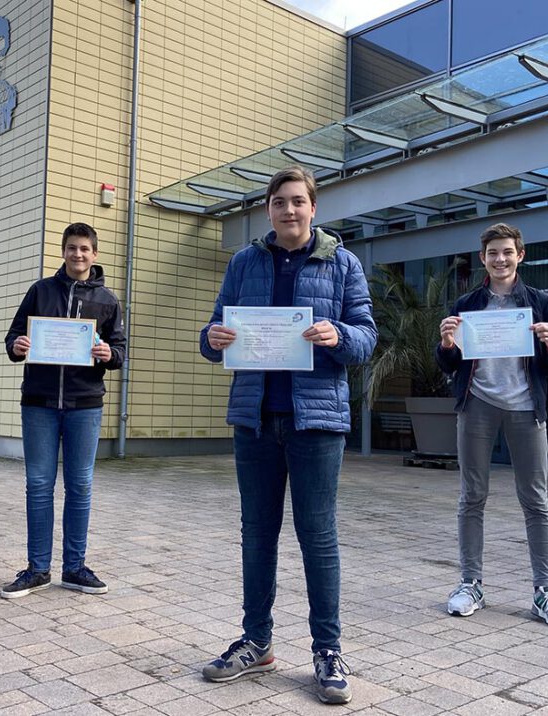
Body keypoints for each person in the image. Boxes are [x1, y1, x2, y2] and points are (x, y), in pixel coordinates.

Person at [198, 167, 376, 704]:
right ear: (268, 209)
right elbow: (212, 336)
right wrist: (212, 337)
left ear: (313, 208)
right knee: (257, 533)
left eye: (298, 201)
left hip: (315, 421)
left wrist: (338, 334)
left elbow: (366, 337)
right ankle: (257, 642)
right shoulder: (243, 262)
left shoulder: (343, 264)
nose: (289, 211)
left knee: (317, 537)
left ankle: (327, 649)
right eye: (279, 202)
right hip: (254, 420)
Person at [436, 222, 548, 629]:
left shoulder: (540, 302)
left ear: (520, 256)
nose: (500, 259)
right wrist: (445, 344)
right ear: (483, 258)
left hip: (525, 407)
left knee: (536, 500)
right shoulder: (466, 302)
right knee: (471, 496)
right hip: (477, 404)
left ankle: (545, 591)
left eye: (507, 252)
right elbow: (448, 363)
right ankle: (470, 583)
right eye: (493, 253)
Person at [1, 222, 126, 599]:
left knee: (80, 485)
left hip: (84, 404)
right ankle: (38, 569)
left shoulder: (107, 300)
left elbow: (120, 350)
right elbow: (13, 337)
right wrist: (18, 345)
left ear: (95, 254)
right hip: (39, 402)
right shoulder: (40, 291)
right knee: (38, 484)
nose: (78, 254)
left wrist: (109, 354)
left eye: (85, 249)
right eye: (72, 248)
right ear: (63, 251)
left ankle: (74, 568)